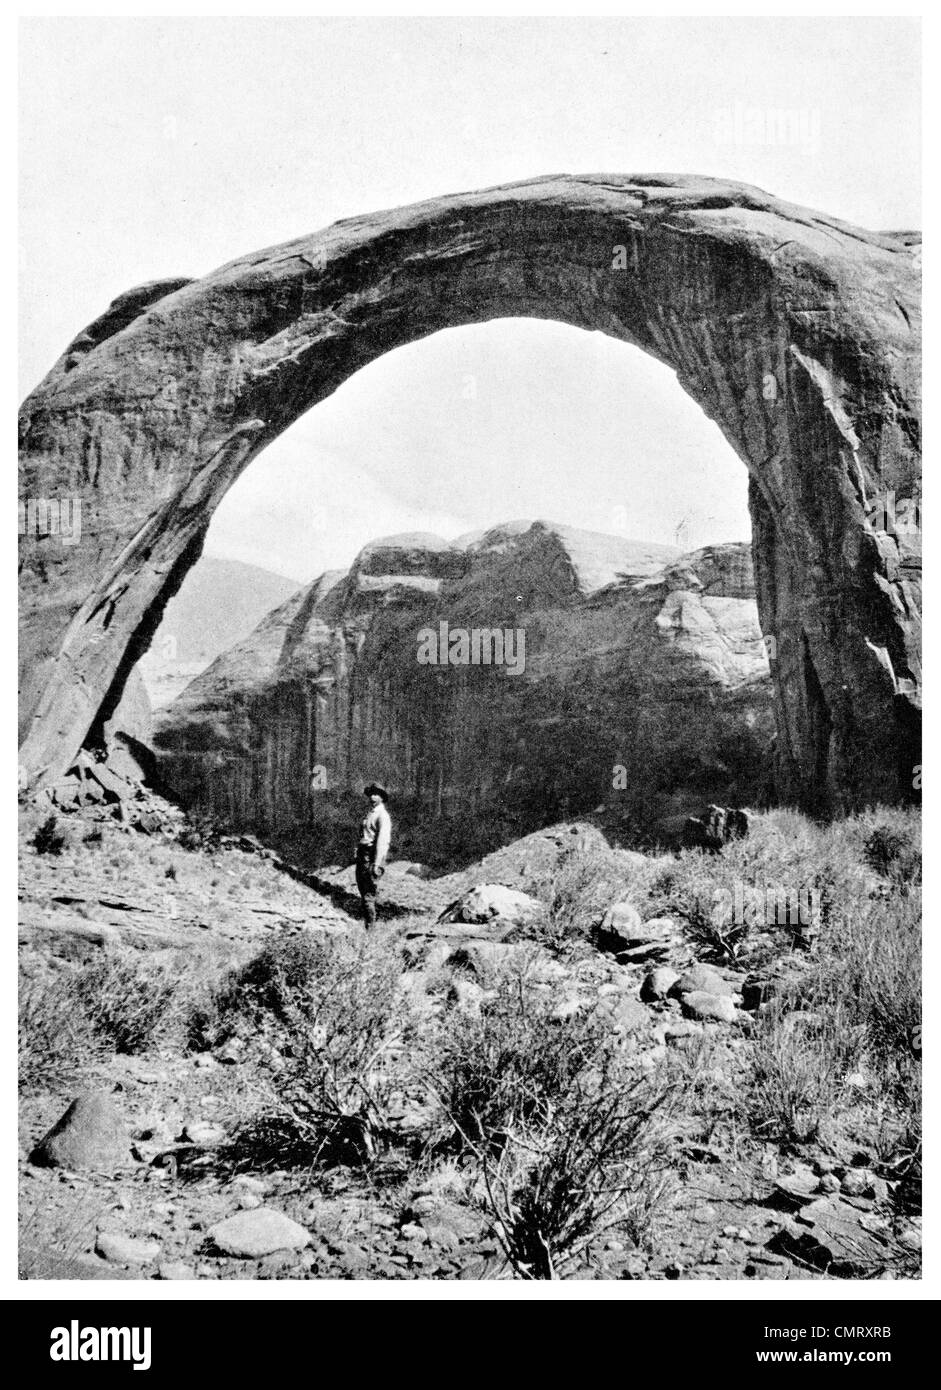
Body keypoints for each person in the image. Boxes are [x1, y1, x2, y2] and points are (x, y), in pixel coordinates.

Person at [355, 782, 391, 929]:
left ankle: (371, 929)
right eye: (371, 794)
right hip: (363, 855)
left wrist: (377, 863)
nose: (372, 797)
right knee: (363, 892)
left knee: (369, 894)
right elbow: (363, 834)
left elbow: (382, 841)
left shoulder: (383, 815)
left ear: (382, 797)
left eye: (376, 794)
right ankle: (367, 924)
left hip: (372, 855)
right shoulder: (370, 813)